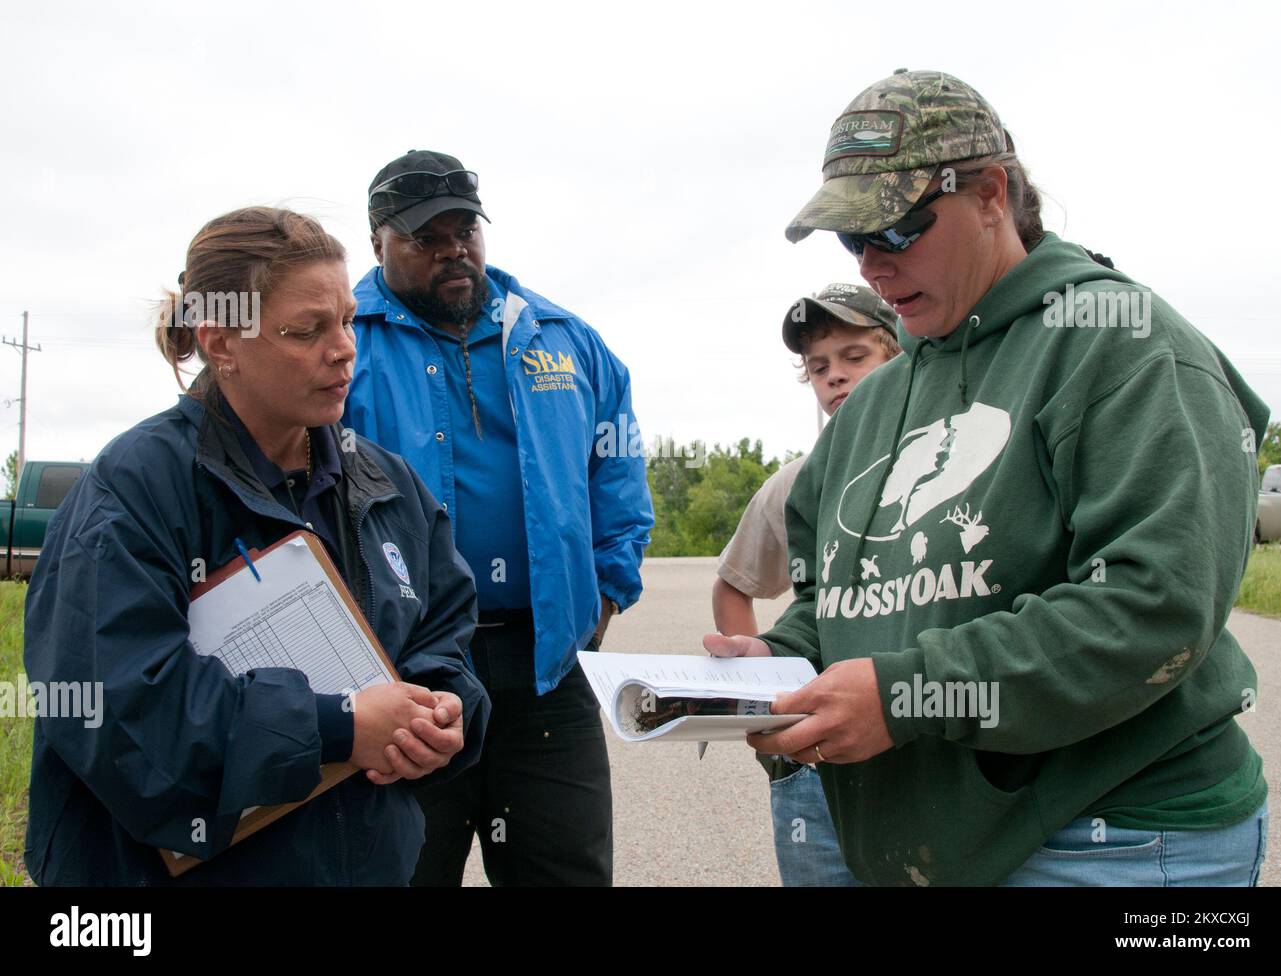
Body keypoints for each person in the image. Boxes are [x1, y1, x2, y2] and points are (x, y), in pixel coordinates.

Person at [706, 69, 1269, 886]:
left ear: (993, 193)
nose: (871, 266)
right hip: (935, 834)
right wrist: (777, 657)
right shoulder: (878, 400)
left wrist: (909, 693)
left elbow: (1156, 604)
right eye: (850, 241)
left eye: (896, 231)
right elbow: (838, 596)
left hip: (1115, 837)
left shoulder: (1121, 345)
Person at [23, 206, 488, 886]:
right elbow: (114, 706)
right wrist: (341, 726)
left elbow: (446, 637)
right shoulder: (133, 489)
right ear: (221, 342)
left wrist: (445, 712)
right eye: (307, 329)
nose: (344, 348)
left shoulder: (387, 483)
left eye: (348, 320)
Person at [344, 150, 654, 886]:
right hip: (405, 675)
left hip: (545, 670)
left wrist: (605, 597)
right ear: (378, 241)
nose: (454, 249)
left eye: (466, 230)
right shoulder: (343, 343)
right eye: (427, 237)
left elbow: (617, 475)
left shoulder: (562, 339)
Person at [712, 283, 898, 886]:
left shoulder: (947, 458)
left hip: (919, 739)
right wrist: (767, 691)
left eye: (855, 357)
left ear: (899, 354)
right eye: (819, 367)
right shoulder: (795, 483)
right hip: (814, 760)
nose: (835, 378)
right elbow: (733, 585)